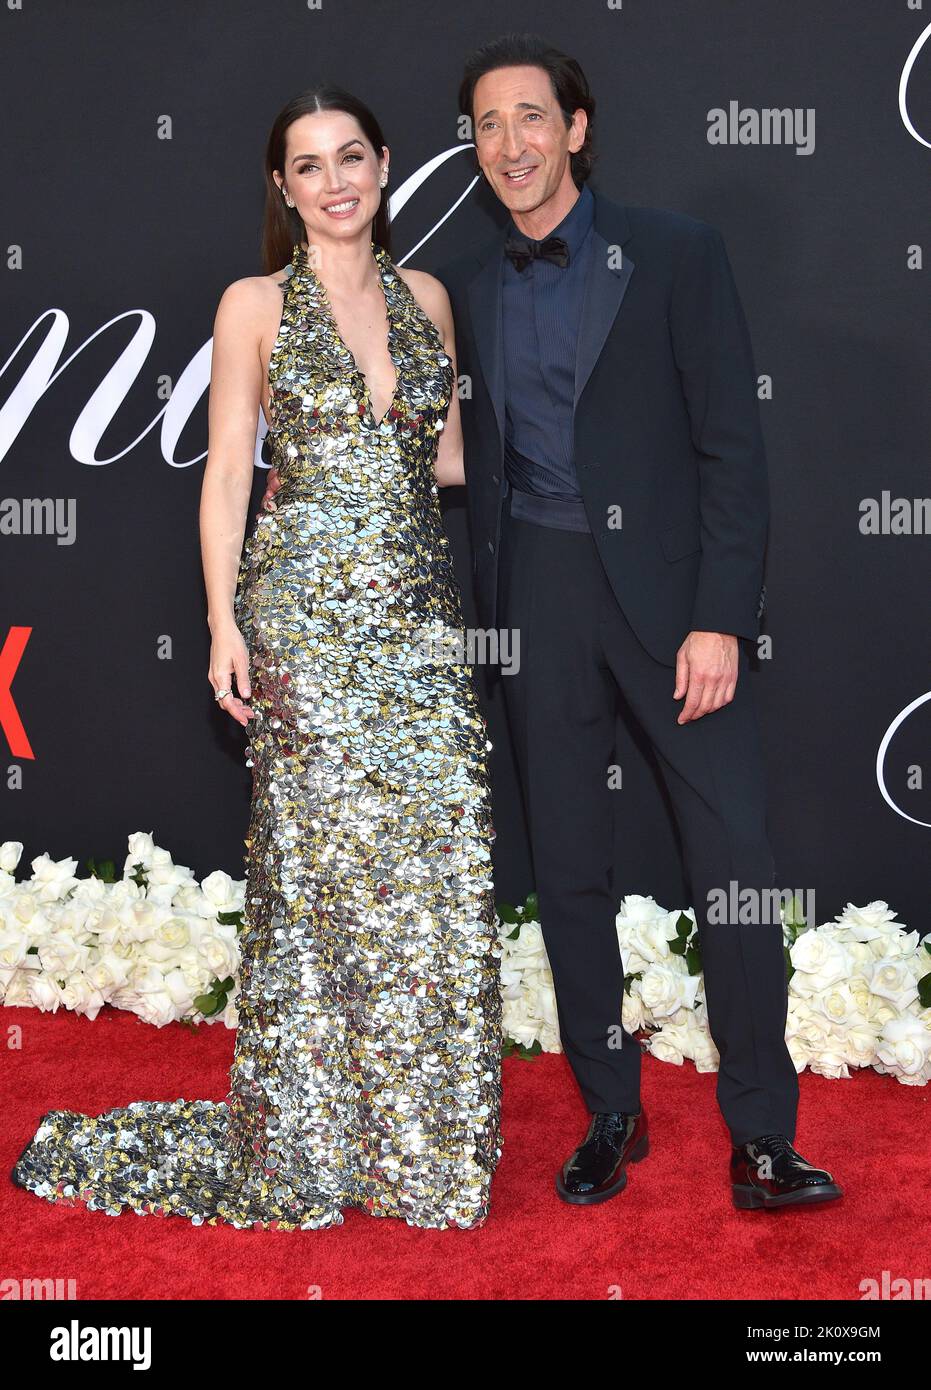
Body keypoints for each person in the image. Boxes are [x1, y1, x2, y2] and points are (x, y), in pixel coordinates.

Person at [267, 33, 845, 1215]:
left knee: (733, 863)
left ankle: (764, 1136)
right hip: (533, 590)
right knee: (568, 870)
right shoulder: (458, 290)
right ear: (469, 148)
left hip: (673, 603)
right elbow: (435, 446)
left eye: (531, 118)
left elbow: (732, 450)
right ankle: (609, 1111)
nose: (510, 145)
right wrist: (318, 480)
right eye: (487, 126)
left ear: (574, 129)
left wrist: (720, 617)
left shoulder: (679, 255)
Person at [11, 86, 503, 1231]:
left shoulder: (427, 293)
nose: (333, 182)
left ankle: (418, 1152)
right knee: (326, 884)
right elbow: (228, 468)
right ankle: (311, 1139)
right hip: (307, 623)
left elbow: (448, 459)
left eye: (350, 158)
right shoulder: (254, 305)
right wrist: (228, 623)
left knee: (433, 877)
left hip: (421, 628)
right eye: (306, 166)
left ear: (384, 165)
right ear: (281, 189)